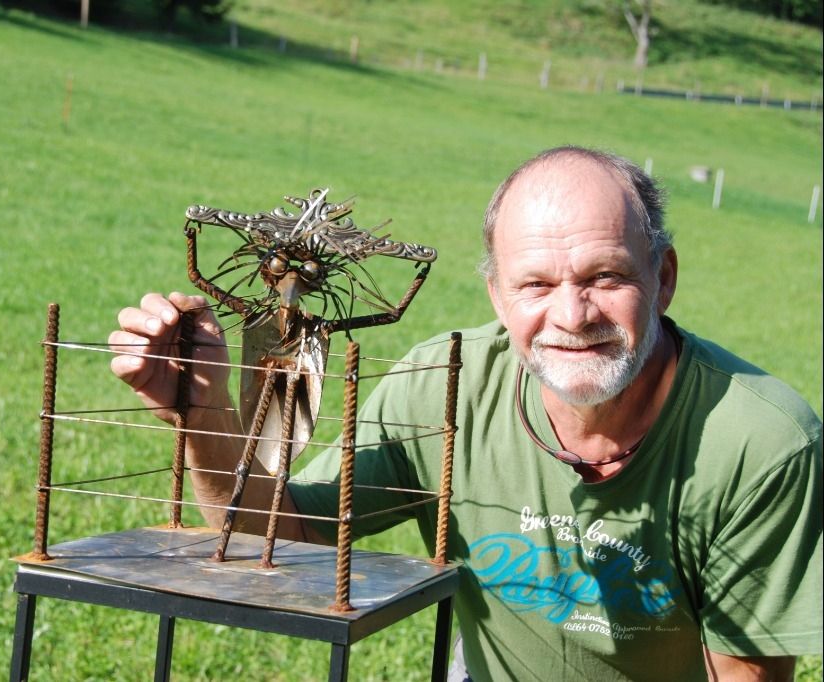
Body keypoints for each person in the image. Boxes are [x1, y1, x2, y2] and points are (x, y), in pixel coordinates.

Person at [109, 147, 822, 681]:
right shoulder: (441, 386)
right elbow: (288, 535)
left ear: (662, 278)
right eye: (536, 283)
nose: (571, 315)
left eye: (605, 276)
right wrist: (203, 412)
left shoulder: (760, 443)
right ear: (497, 298)